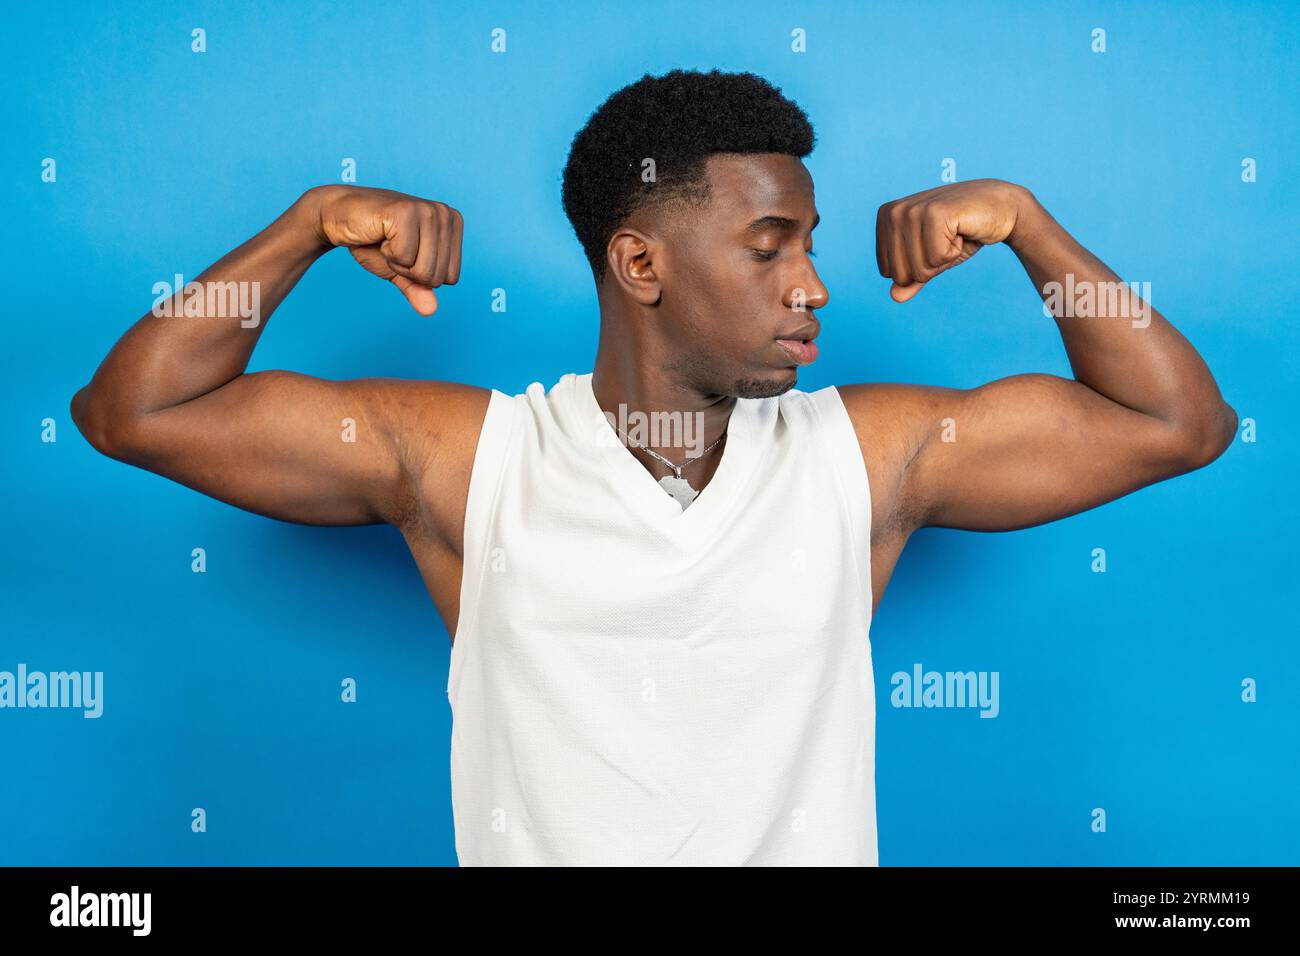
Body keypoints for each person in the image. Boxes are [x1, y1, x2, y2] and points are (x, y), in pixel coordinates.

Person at [70, 69, 1236, 866]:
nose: (814, 284)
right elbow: (133, 412)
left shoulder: (863, 459)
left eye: (811, 244)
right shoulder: (474, 458)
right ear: (639, 262)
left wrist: (1027, 223)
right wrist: (311, 222)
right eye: (769, 246)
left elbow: (1178, 423)